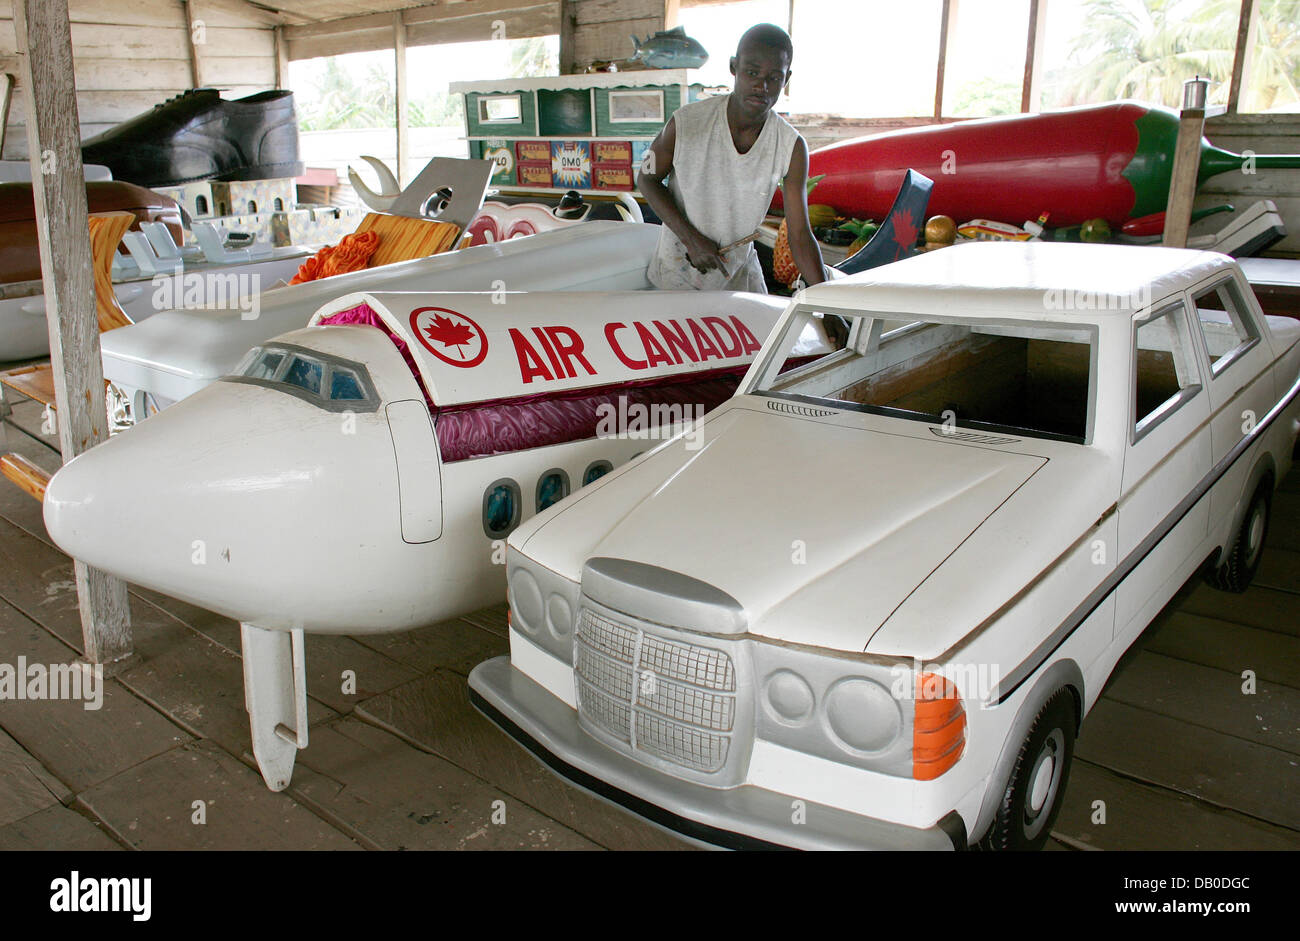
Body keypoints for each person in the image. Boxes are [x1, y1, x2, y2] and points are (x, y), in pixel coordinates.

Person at [637, 23, 828, 295]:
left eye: (774, 77)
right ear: (733, 67)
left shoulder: (791, 147)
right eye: (752, 72)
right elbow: (646, 177)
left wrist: (829, 305)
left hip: (738, 277)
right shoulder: (686, 123)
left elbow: (799, 235)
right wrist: (690, 239)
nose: (761, 86)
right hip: (676, 273)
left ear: (786, 80)